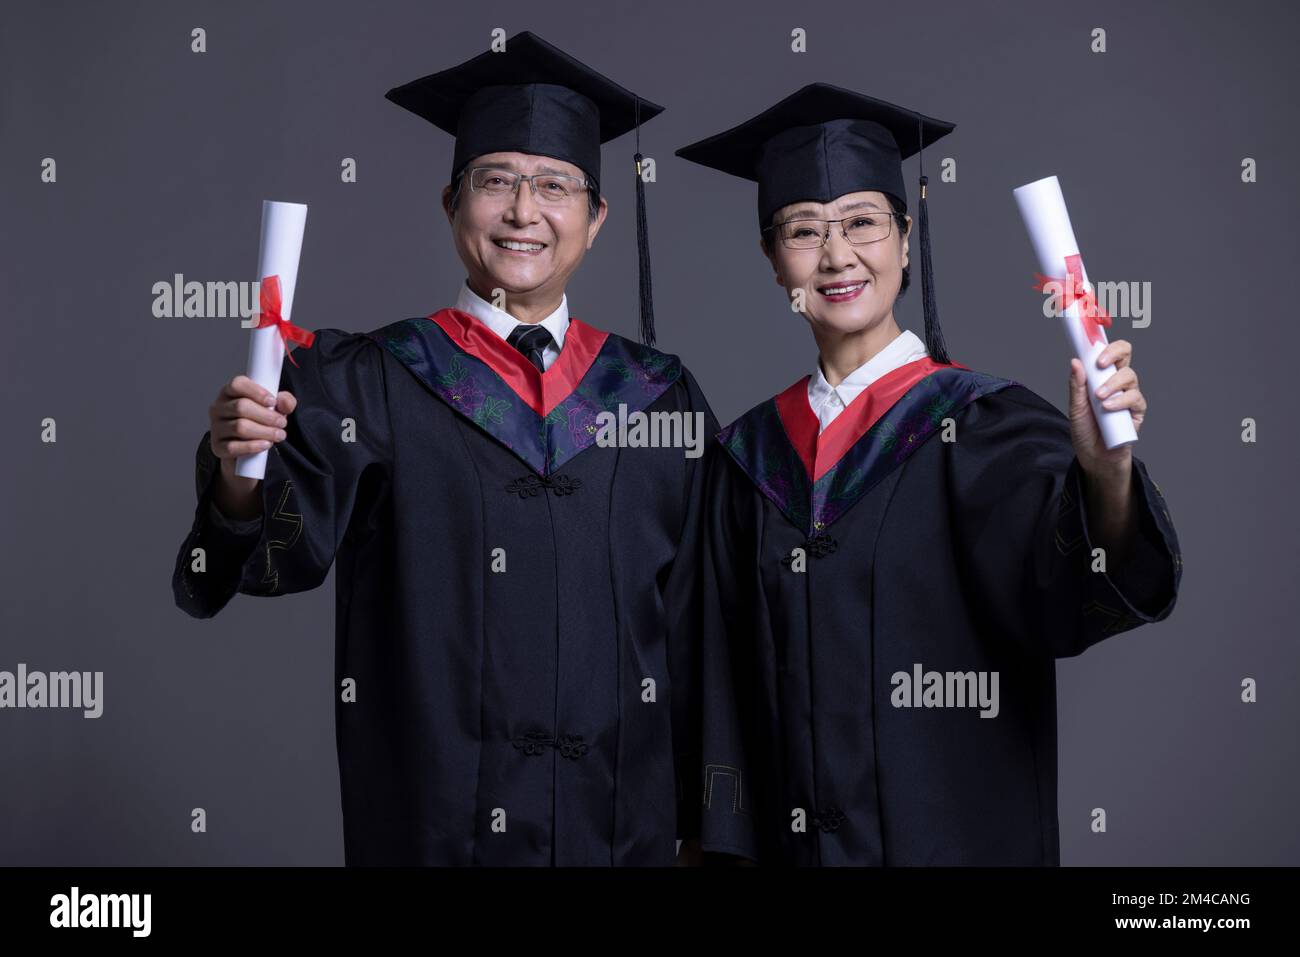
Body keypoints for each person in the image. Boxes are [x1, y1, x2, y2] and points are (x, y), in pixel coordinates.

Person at [172, 31, 717, 866]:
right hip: (436, 832)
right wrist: (240, 473)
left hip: (621, 835)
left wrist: (713, 829)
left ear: (596, 218)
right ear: (452, 202)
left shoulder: (656, 397)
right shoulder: (372, 379)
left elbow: (704, 635)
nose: (524, 212)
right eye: (496, 180)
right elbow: (266, 561)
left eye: (555, 186)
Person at [674, 83, 1182, 865]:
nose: (837, 254)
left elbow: (1067, 594)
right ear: (776, 261)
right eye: (804, 230)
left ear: (906, 242)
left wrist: (1105, 472)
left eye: (864, 223)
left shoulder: (984, 424)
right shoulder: (747, 459)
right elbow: (718, 694)